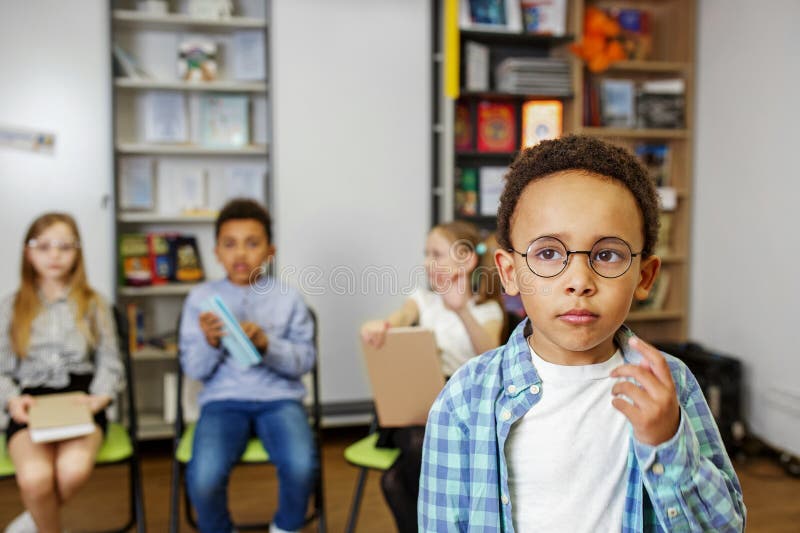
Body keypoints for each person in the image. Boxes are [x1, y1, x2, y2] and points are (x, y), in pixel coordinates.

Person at [419, 135, 746, 532]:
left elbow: (726, 526)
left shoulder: (671, 387)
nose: (578, 281)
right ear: (509, 273)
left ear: (643, 276)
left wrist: (667, 442)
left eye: (607, 254)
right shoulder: (464, 400)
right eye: (548, 253)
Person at [179, 198, 317, 533]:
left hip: (279, 400)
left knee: (302, 466)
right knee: (204, 476)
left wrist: (267, 345)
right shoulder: (199, 299)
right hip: (222, 402)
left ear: (270, 251)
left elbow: (304, 360)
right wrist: (211, 343)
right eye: (230, 245)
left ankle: (284, 527)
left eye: (252, 244)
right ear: (216, 252)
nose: (240, 254)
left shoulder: (288, 298)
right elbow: (194, 370)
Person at [361, 220, 505, 533]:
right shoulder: (423, 300)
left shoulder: (487, 311)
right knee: (416, 442)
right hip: (417, 407)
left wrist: (461, 311)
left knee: (393, 481)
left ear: (466, 259)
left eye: (436, 254)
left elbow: (490, 355)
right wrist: (382, 326)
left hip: (462, 409)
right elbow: (401, 317)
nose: (428, 262)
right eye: (426, 254)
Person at [0, 213, 124, 533]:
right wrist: (13, 401)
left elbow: (110, 361)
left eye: (64, 246)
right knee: (37, 478)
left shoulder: (95, 304)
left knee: (71, 471)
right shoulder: (10, 307)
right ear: (28, 253)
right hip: (30, 402)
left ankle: (36, 520)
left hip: (80, 401)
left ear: (77, 253)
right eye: (43, 246)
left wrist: (99, 398)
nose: (54, 255)